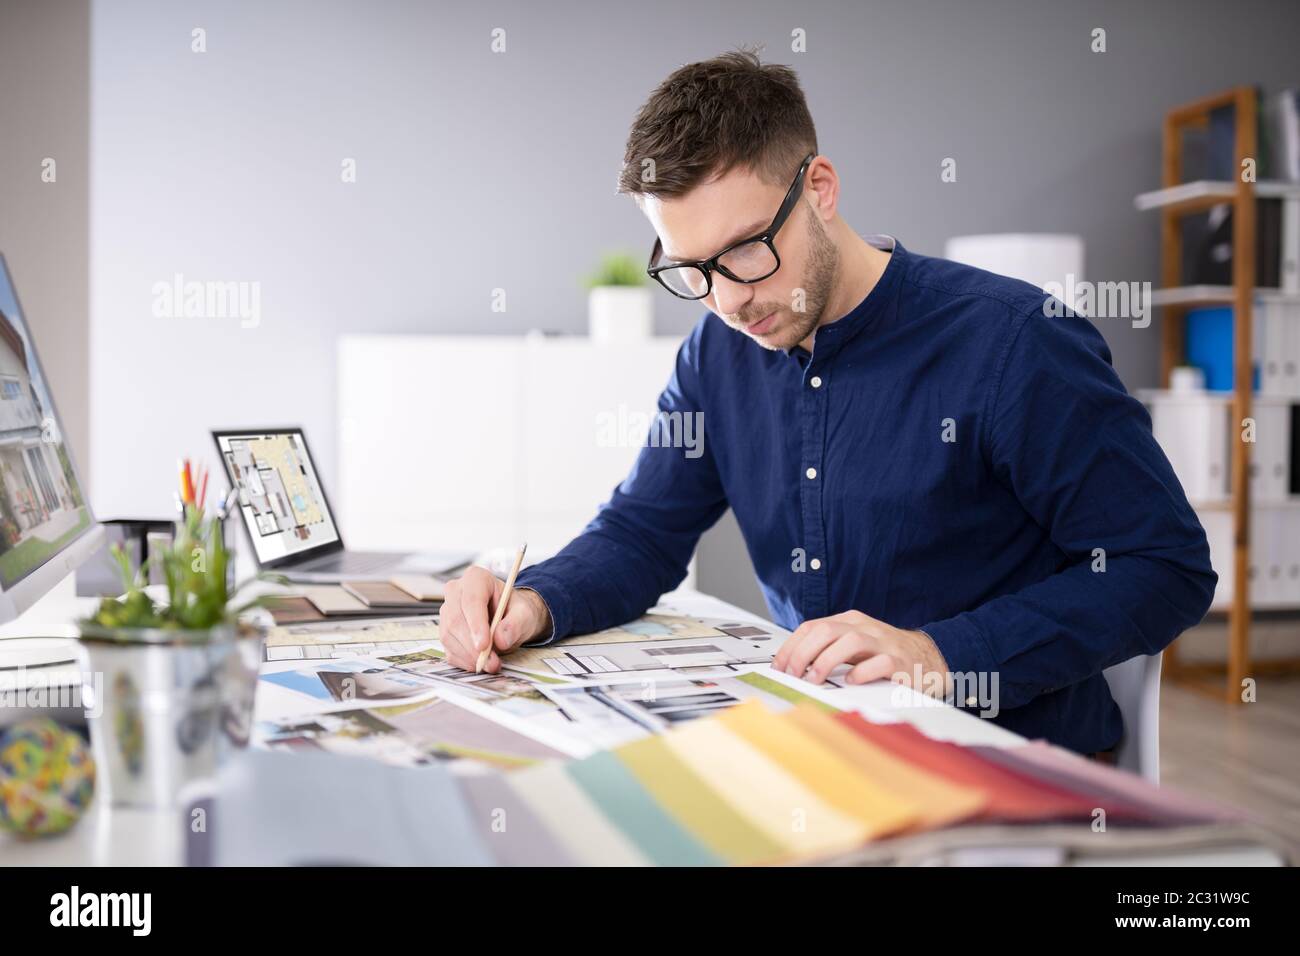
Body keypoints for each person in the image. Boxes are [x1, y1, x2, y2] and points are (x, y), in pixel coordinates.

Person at [437, 50, 1215, 755]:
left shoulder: (1013, 343)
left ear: (820, 189)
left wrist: (942, 653)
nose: (729, 301)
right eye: (691, 270)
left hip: (1002, 762)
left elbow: (1164, 565)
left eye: (746, 250)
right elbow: (642, 533)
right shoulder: (716, 355)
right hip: (817, 749)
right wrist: (534, 602)